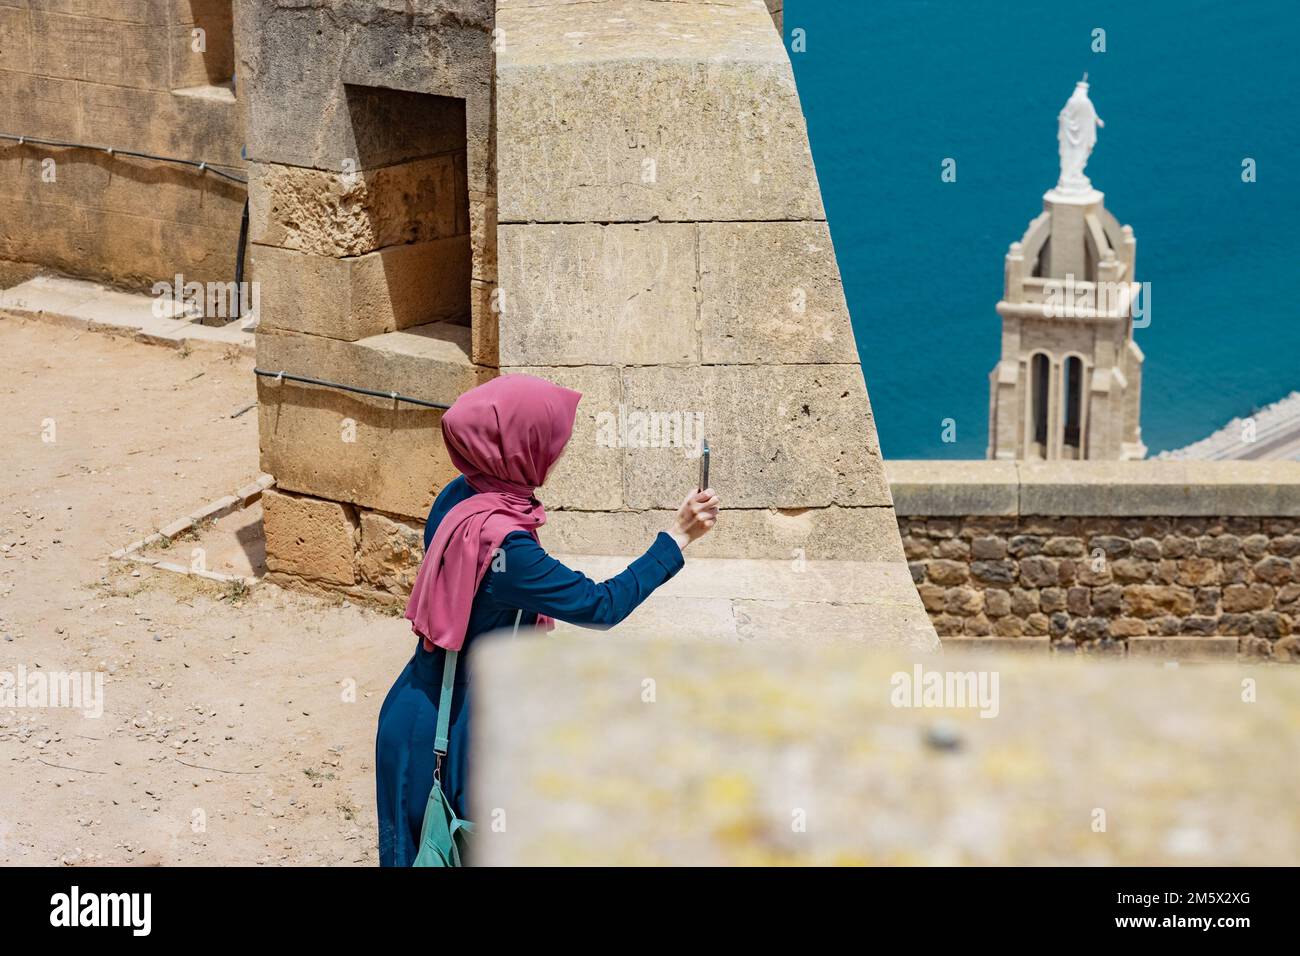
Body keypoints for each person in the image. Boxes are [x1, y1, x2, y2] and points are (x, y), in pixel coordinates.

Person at [375, 374, 719, 866]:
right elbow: (600, 605)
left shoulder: (461, 496)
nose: (556, 454)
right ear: (517, 448)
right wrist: (677, 538)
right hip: (449, 730)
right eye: (549, 442)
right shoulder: (505, 549)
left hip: (414, 707)